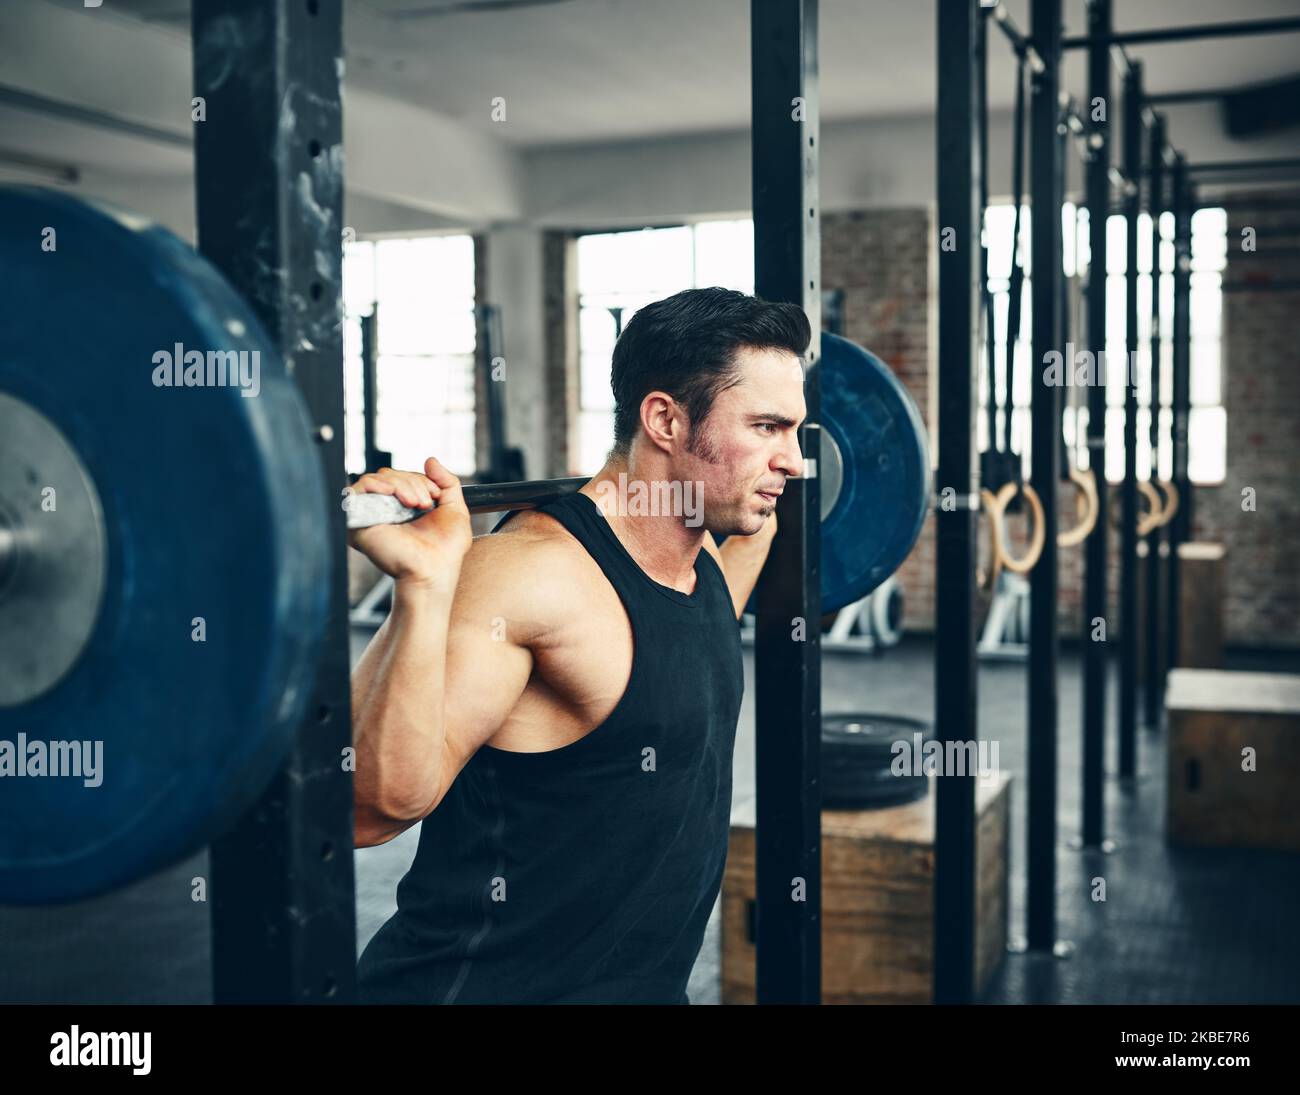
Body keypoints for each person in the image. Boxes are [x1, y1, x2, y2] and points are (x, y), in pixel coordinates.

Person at [349, 287, 809, 1004]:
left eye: (798, 431)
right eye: (768, 427)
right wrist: (424, 587)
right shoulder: (528, 577)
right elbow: (365, 810)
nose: (797, 461)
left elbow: (690, 620)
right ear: (663, 418)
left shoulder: (708, 563)